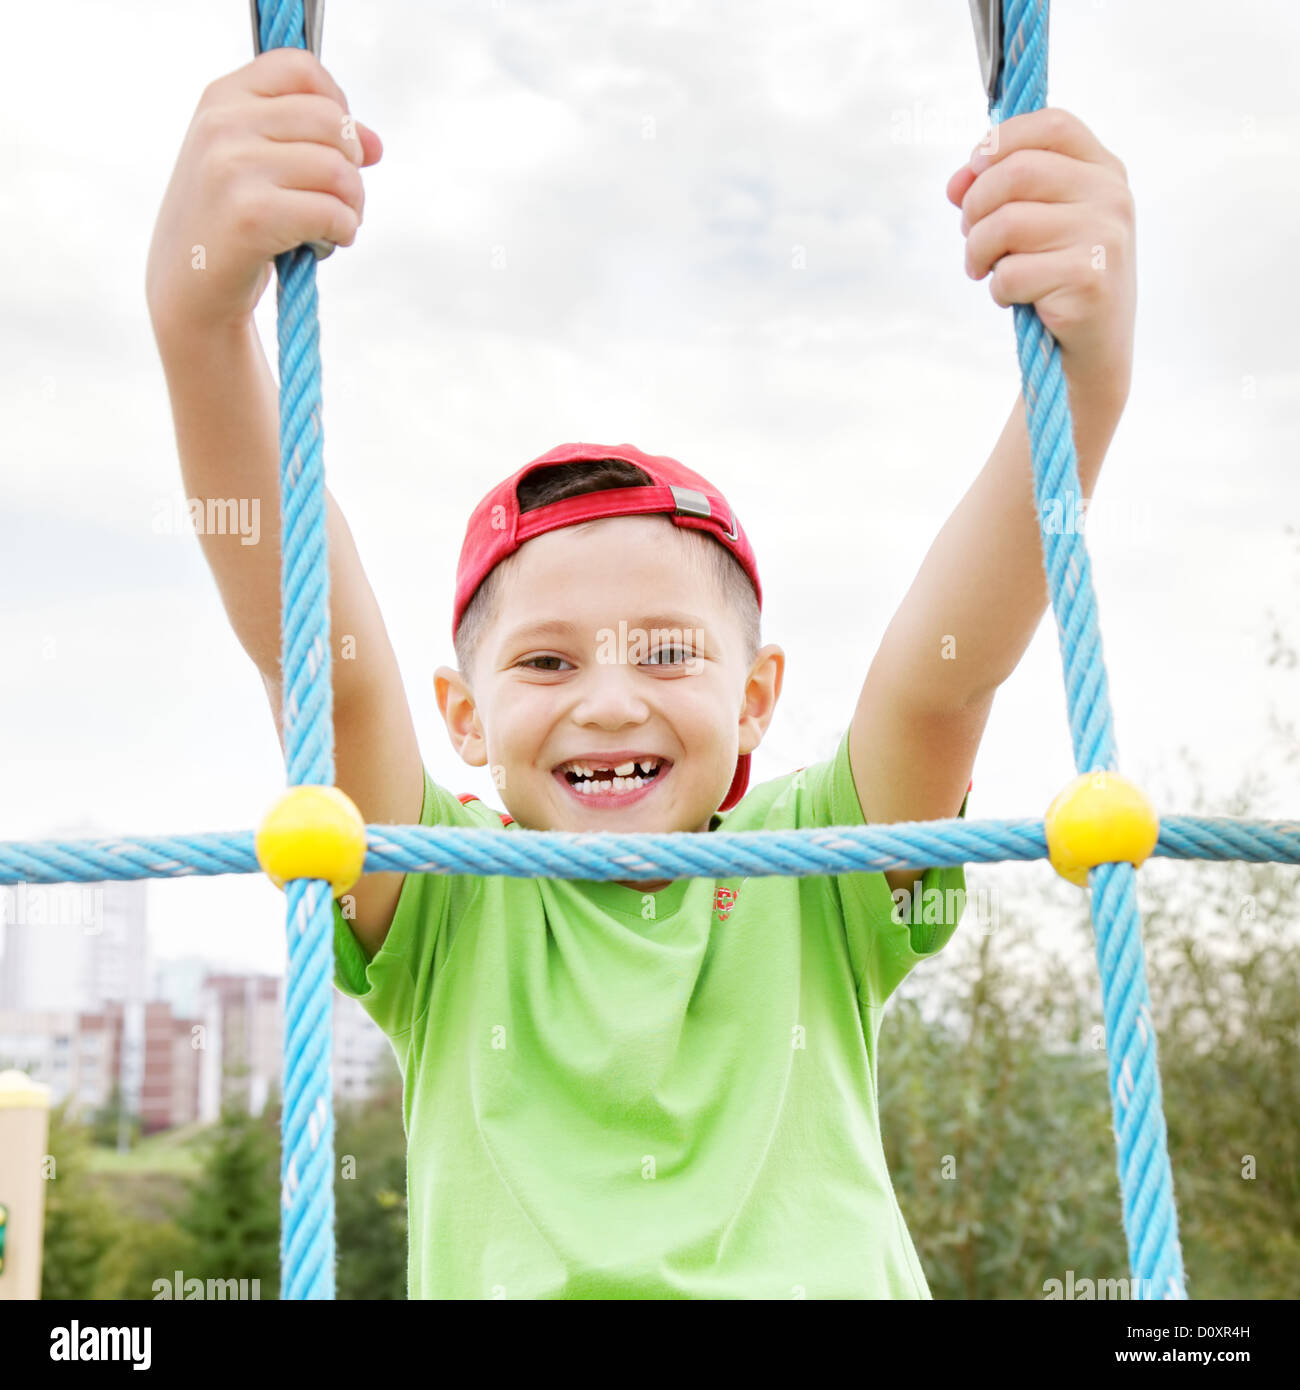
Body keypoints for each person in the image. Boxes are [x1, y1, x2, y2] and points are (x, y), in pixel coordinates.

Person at [145, 47, 1136, 1299]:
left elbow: (941, 677)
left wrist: (1087, 377)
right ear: (462, 717)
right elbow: (321, 662)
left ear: (755, 697)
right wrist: (197, 326)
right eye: (547, 660)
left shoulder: (816, 864)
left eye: (668, 653)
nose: (609, 698)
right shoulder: (449, 900)